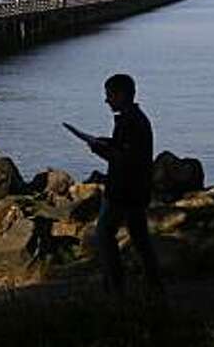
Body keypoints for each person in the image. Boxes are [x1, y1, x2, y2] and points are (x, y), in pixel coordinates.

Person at [88, 73, 161, 294]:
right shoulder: (135, 119)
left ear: (121, 95)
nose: (107, 100)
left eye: (109, 95)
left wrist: (101, 149)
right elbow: (125, 149)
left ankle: (115, 286)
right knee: (140, 239)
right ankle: (154, 287)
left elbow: (123, 159)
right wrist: (106, 142)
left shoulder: (130, 121)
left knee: (104, 233)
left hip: (123, 190)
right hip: (137, 189)